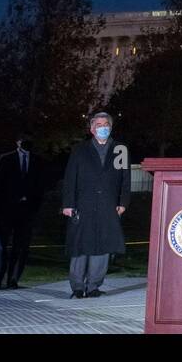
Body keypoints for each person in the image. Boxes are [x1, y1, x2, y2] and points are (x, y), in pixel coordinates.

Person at [61, 112, 131, 299]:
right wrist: (68, 204)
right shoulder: (79, 150)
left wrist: (122, 202)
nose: (103, 127)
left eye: (106, 124)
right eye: (98, 124)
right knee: (80, 245)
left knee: (103, 245)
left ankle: (93, 286)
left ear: (111, 127)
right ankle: (77, 286)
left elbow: (125, 178)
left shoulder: (119, 150)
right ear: (92, 129)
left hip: (108, 205)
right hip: (83, 204)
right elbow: (70, 179)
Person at [0, 134, 43, 289]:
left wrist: (34, 207)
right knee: (2, 245)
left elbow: (40, 186)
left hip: (26, 211)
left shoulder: (37, 161)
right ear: (17, 142)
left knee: (20, 246)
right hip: (6, 209)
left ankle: (13, 278)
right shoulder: (6, 159)